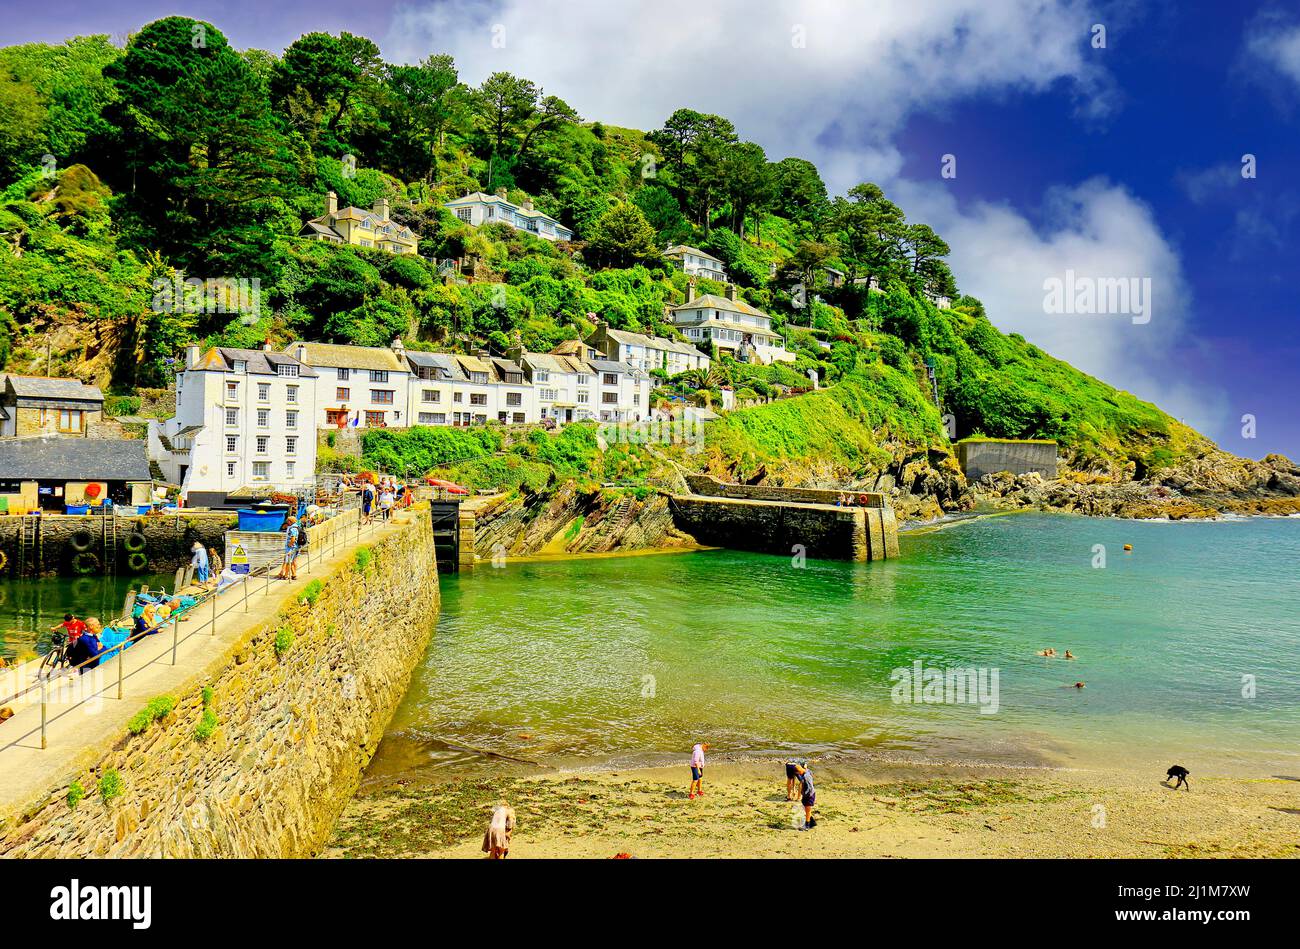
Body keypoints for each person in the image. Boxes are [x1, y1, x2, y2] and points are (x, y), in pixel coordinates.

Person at [793, 762, 816, 829]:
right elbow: (806, 769)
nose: (798, 775)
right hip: (807, 795)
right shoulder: (807, 771)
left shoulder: (806, 776)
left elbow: (810, 787)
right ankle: (812, 822)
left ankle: (807, 825)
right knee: (806, 809)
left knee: (807, 810)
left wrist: (804, 794)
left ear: (800, 770)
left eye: (798, 773)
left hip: (809, 795)